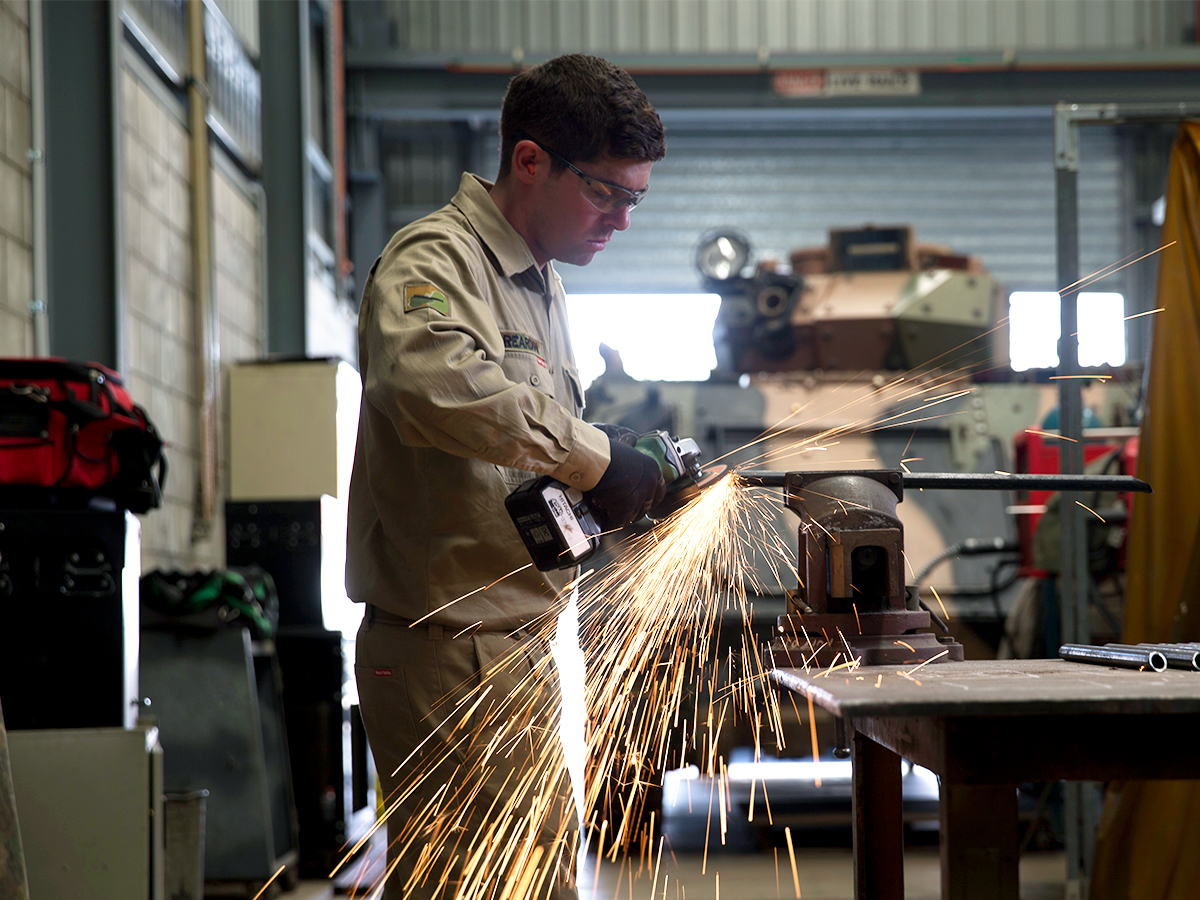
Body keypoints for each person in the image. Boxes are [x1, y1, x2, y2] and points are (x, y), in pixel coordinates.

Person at [347, 54, 667, 899]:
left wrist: (609, 456)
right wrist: (596, 457)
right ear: (530, 161)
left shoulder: (542, 286)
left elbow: (523, 447)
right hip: (445, 649)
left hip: (507, 646)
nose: (621, 220)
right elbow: (433, 385)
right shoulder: (435, 260)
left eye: (634, 198)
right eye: (607, 192)